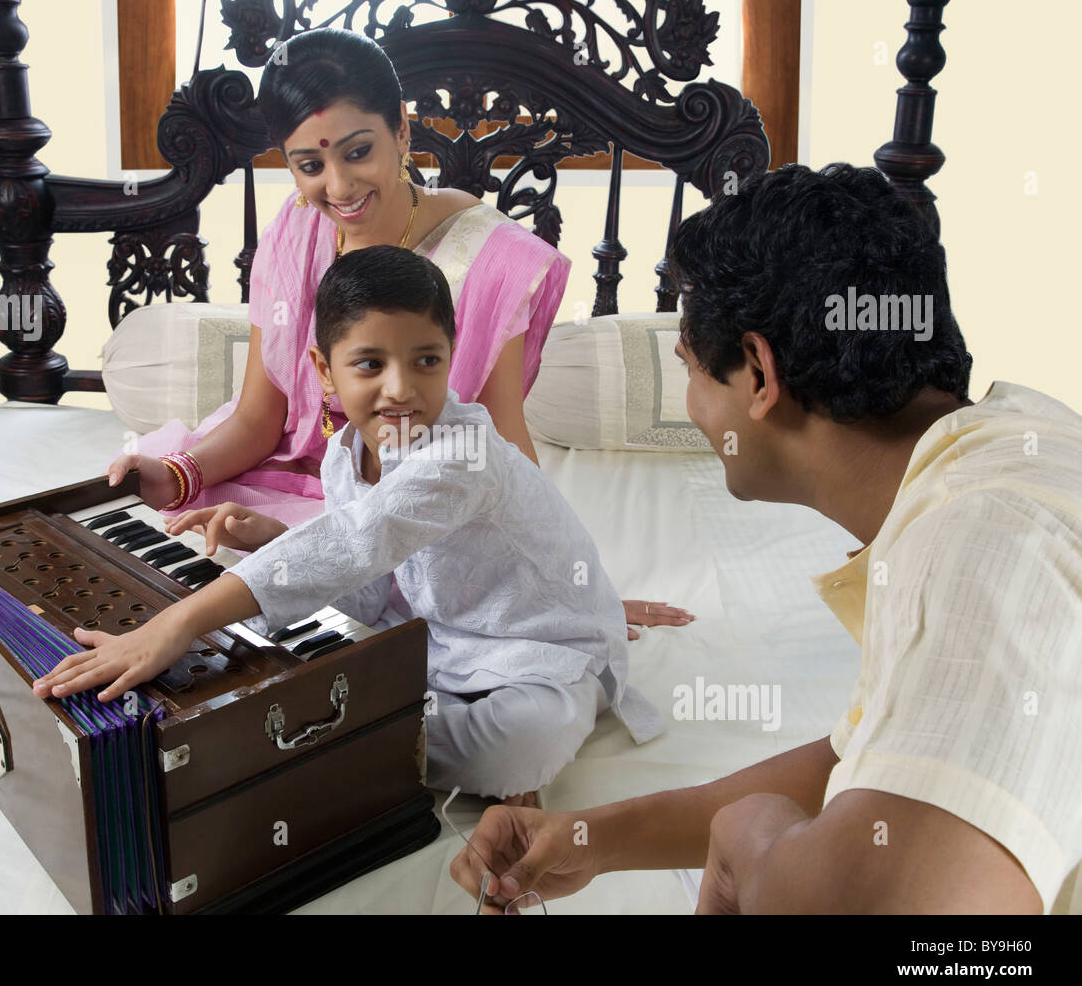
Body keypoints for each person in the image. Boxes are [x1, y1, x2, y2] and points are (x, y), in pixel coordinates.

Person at [450, 162, 1082, 914]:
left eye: (690, 368)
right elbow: (876, 770)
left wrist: (749, 838)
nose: (692, 405)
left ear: (758, 372)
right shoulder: (1014, 455)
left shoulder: (981, 539)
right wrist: (593, 835)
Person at [107, 26, 690, 641]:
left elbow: (504, 453)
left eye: (358, 152)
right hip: (287, 482)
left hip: (414, 497)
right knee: (148, 562)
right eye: (310, 165)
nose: (338, 187)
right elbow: (259, 418)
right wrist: (177, 475)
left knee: (421, 599)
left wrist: (565, 581)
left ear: (402, 131)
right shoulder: (295, 231)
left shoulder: (493, 259)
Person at [37, 246, 664, 804]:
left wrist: (176, 625)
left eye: (427, 360)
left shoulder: (463, 455)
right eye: (370, 364)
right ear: (323, 368)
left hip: (538, 652)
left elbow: (354, 542)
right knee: (286, 637)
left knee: (521, 744)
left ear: (452, 355)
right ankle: (347, 728)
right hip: (435, 634)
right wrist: (278, 540)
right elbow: (363, 582)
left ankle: (317, 738)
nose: (401, 389)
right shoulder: (345, 455)